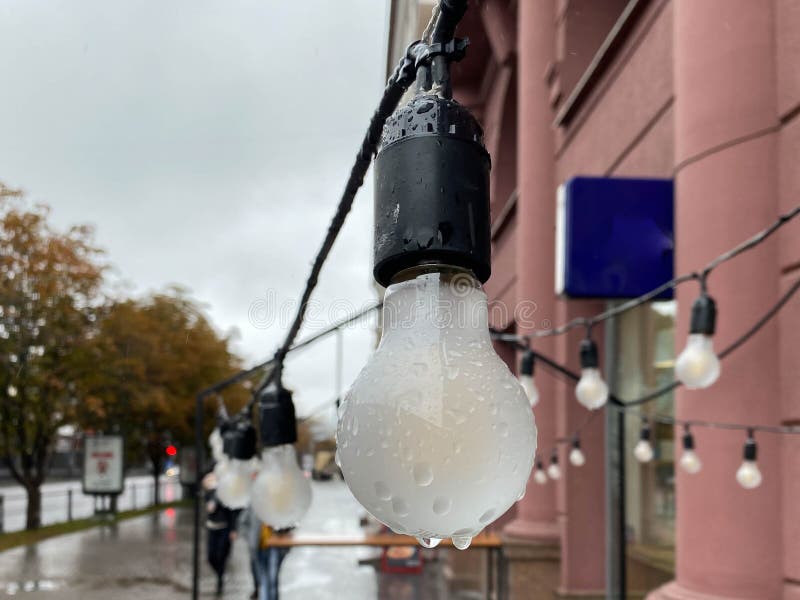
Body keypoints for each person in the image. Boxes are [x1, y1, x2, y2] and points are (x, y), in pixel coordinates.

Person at [203, 471, 240, 597]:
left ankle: (220, 580)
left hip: (224, 527)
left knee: (221, 555)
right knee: (211, 556)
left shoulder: (224, 492)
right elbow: (207, 503)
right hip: (212, 527)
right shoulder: (208, 491)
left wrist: (234, 529)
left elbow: (232, 511)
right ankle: (220, 574)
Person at [256, 523, 292, 600]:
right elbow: (244, 523)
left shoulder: (275, 516)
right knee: (264, 578)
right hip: (259, 548)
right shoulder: (255, 513)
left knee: (272, 578)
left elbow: (289, 525)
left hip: (274, 547)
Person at [238, 506, 261, 600]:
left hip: (270, 546)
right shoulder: (252, 505)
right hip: (255, 546)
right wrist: (249, 537)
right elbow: (242, 522)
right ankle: (257, 588)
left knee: (270, 575)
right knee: (255, 568)